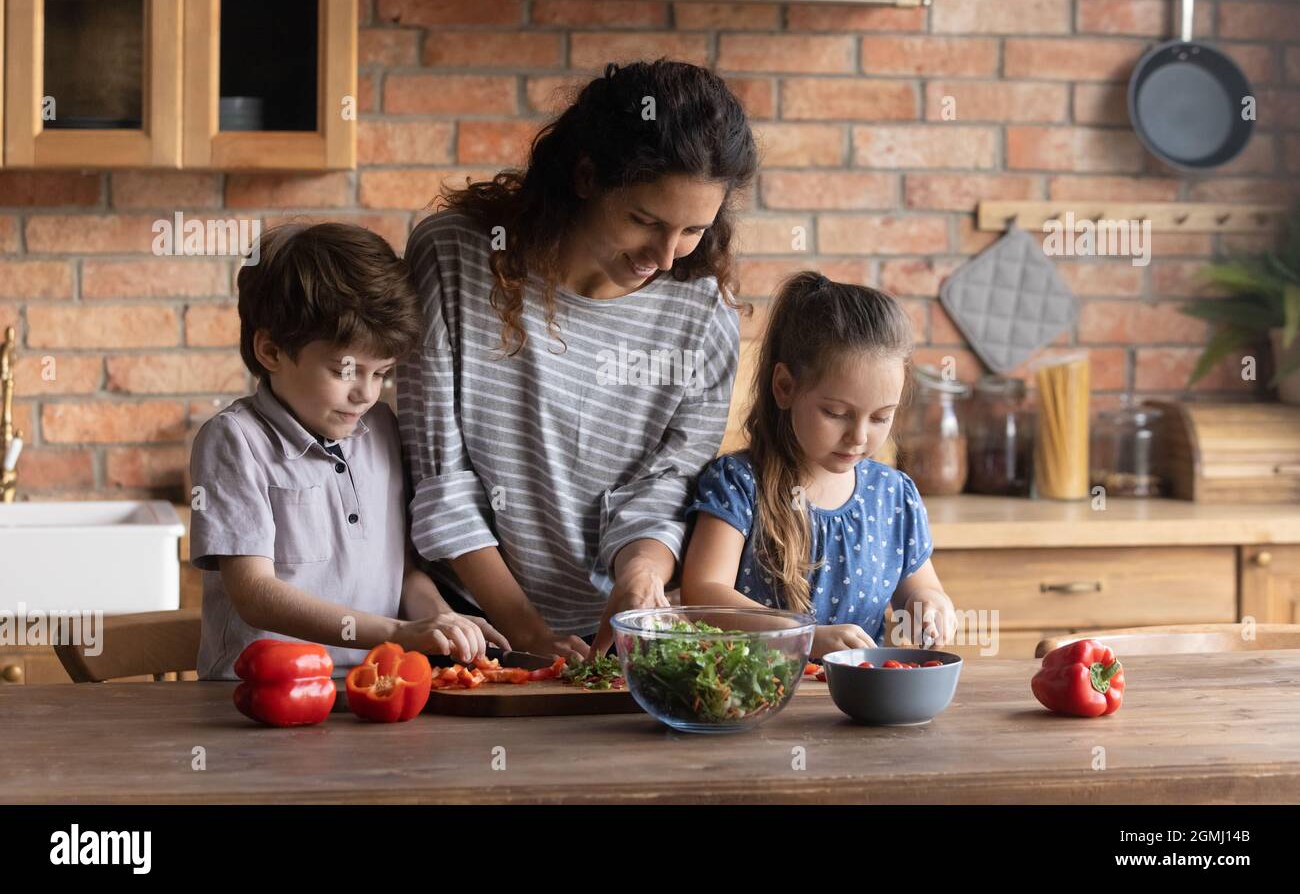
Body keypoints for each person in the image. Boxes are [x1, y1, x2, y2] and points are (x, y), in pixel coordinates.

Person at [398, 59, 758, 660]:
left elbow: (666, 482)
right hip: (466, 633)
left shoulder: (701, 313)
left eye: (694, 229)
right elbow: (442, 480)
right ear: (586, 176)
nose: (667, 257)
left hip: (619, 642)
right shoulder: (458, 257)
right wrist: (527, 633)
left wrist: (641, 570)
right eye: (645, 220)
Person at [189, 222, 506, 680]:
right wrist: (396, 633)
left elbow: (402, 572)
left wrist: (439, 618)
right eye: (346, 371)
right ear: (271, 351)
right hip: (258, 695)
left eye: (382, 374)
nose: (366, 394)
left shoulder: (381, 429)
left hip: (371, 685)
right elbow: (255, 593)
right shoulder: (235, 440)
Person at [681, 271, 957, 658]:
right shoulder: (739, 484)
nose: (859, 436)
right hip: (755, 697)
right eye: (837, 412)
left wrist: (932, 605)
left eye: (880, 417)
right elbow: (704, 594)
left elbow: (919, 589)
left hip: (858, 701)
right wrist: (803, 636)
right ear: (785, 388)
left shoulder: (894, 495)